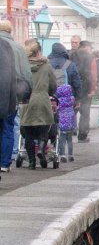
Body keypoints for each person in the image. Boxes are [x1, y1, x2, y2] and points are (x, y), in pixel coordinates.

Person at [0, 21, 31, 175]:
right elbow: (25, 73)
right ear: (10, 31)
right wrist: (25, 93)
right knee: (10, 128)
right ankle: (7, 160)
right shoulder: (17, 48)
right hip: (11, 93)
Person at [21, 40, 56, 169]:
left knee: (28, 133)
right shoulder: (47, 66)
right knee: (43, 129)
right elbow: (53, 85)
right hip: (42, 100)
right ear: (39, 51)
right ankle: (41, 149)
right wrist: (49, 93)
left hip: (27, 100)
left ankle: (31, 162)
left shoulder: (23, 66)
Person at [70, 39, 95, 141]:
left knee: (72, 110)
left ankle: (68, 133)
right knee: (85, 113)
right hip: (85, 87)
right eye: (90, 47)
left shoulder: (71, 55)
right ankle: (82, 136)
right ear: (86, 47)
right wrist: (91, 89)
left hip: (72, 87)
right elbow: (91, 74)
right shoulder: (90, 57)